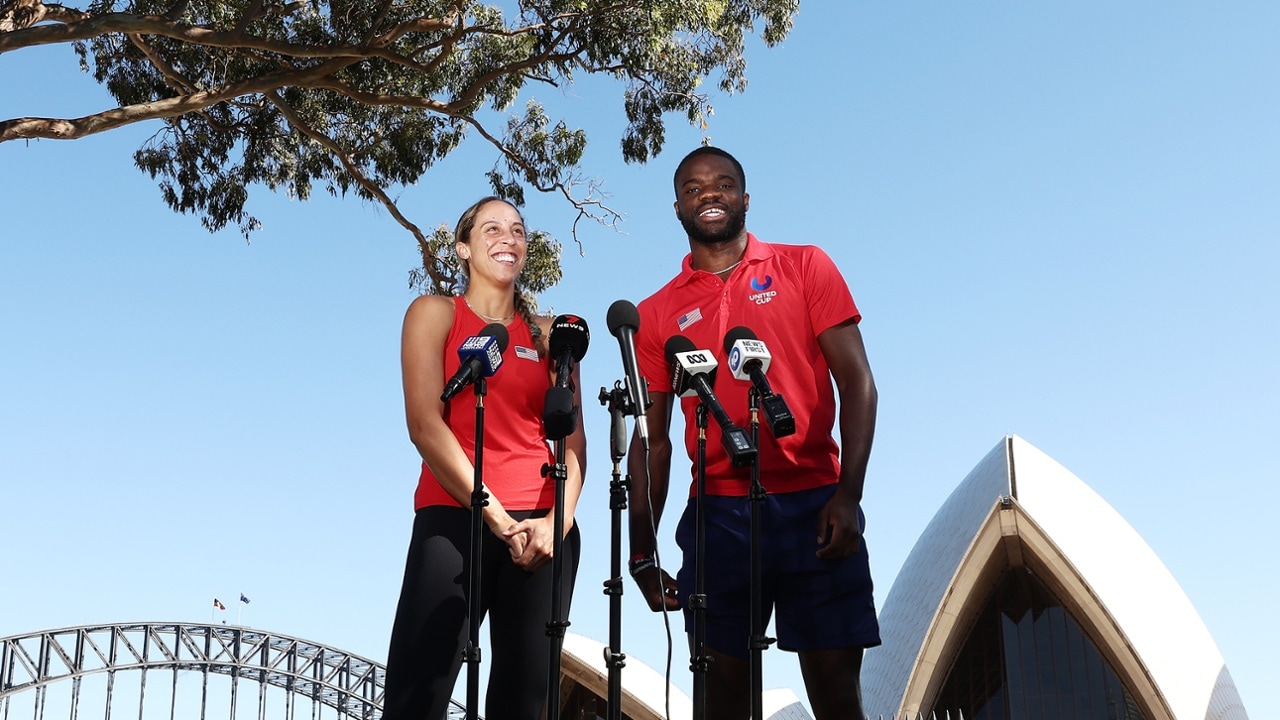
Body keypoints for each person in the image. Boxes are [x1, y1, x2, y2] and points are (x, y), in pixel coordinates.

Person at [627, 147, 880, 719]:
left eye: (722, 183)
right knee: (722, 706)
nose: (708, 194)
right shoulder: (655, 313)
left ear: (746, 198)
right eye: (693, 189)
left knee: (839, 698)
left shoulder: (806, 266)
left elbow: (859, 384)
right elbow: (653, 441)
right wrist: (643, 551)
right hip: (718, 517)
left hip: (815, 505)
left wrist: (849, 494)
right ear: (676, 208)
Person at [383, 197, 586, 720]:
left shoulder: (550, 335)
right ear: (464, 249)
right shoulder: (434, 313)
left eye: (518, 230)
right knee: (415, 692)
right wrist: (494, 516)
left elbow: (574, 439)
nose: (508, 239)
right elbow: (425, 424)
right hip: (457, 518)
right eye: (492, 229)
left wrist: (556, 522)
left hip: (541, 532)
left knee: (525, 701)